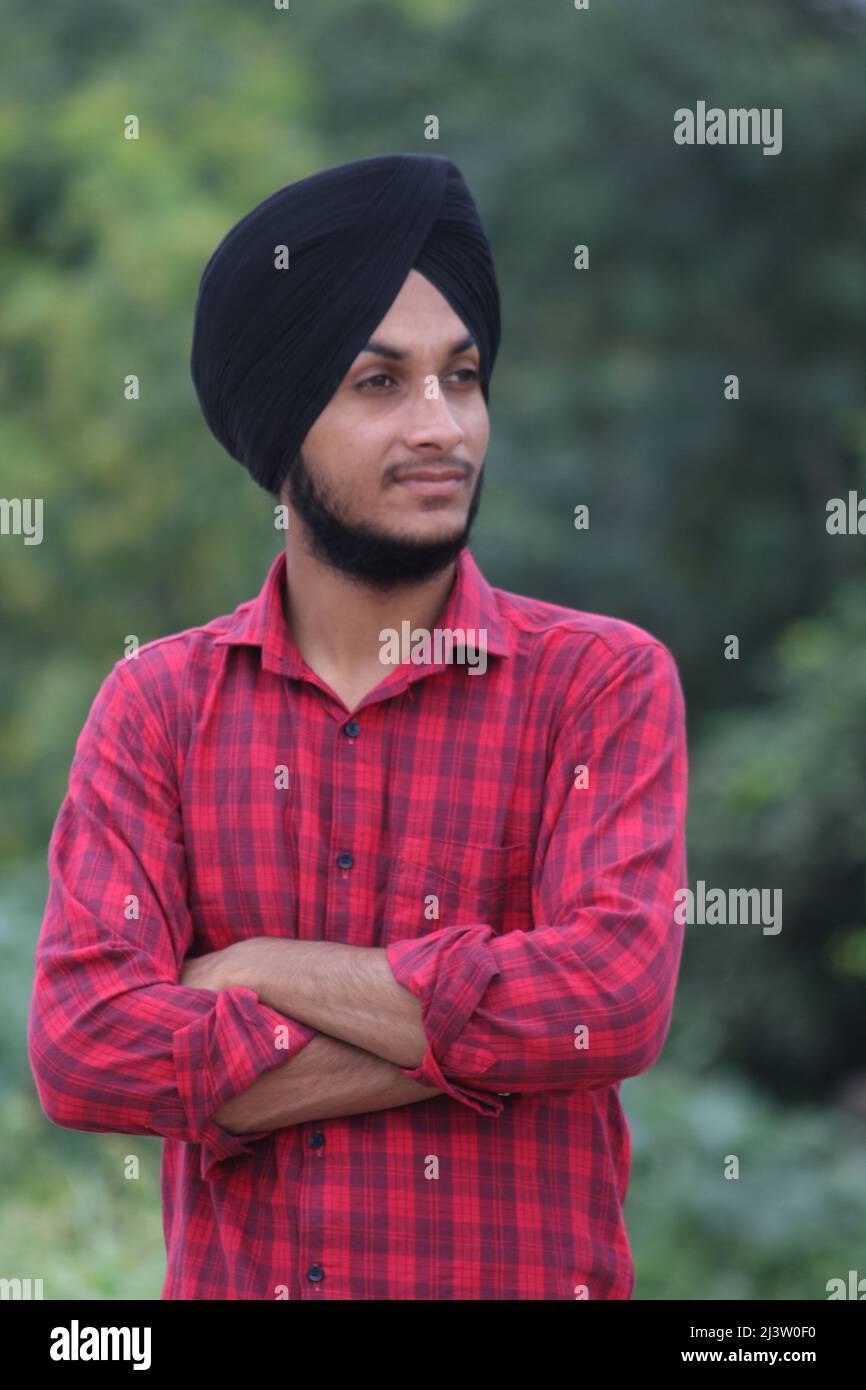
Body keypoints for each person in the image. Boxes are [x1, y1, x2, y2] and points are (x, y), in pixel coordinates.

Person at [28, 153, 688, 1300]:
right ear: (282, 425)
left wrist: (250, 970)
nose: (442, 426)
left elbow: (608, 999)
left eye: (463, 375)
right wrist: (484, 1048)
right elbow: (84, 1046)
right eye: (379, 382)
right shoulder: (160, 706)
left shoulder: (597, 682)